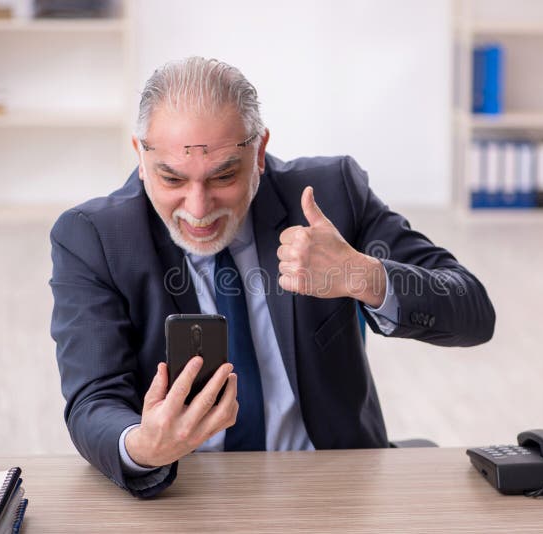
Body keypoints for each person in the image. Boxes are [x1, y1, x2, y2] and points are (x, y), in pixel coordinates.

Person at [50, 57, 495, 498]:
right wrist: (143, 446)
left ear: (259, 151)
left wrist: (365, 275)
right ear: (141, 157)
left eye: (224, 175)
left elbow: (473, 312)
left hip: (335, 486)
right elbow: (94, 400)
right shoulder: (94, 238)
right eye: (172, 178)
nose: (198, 208)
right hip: (184, 495)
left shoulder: (332, 194)